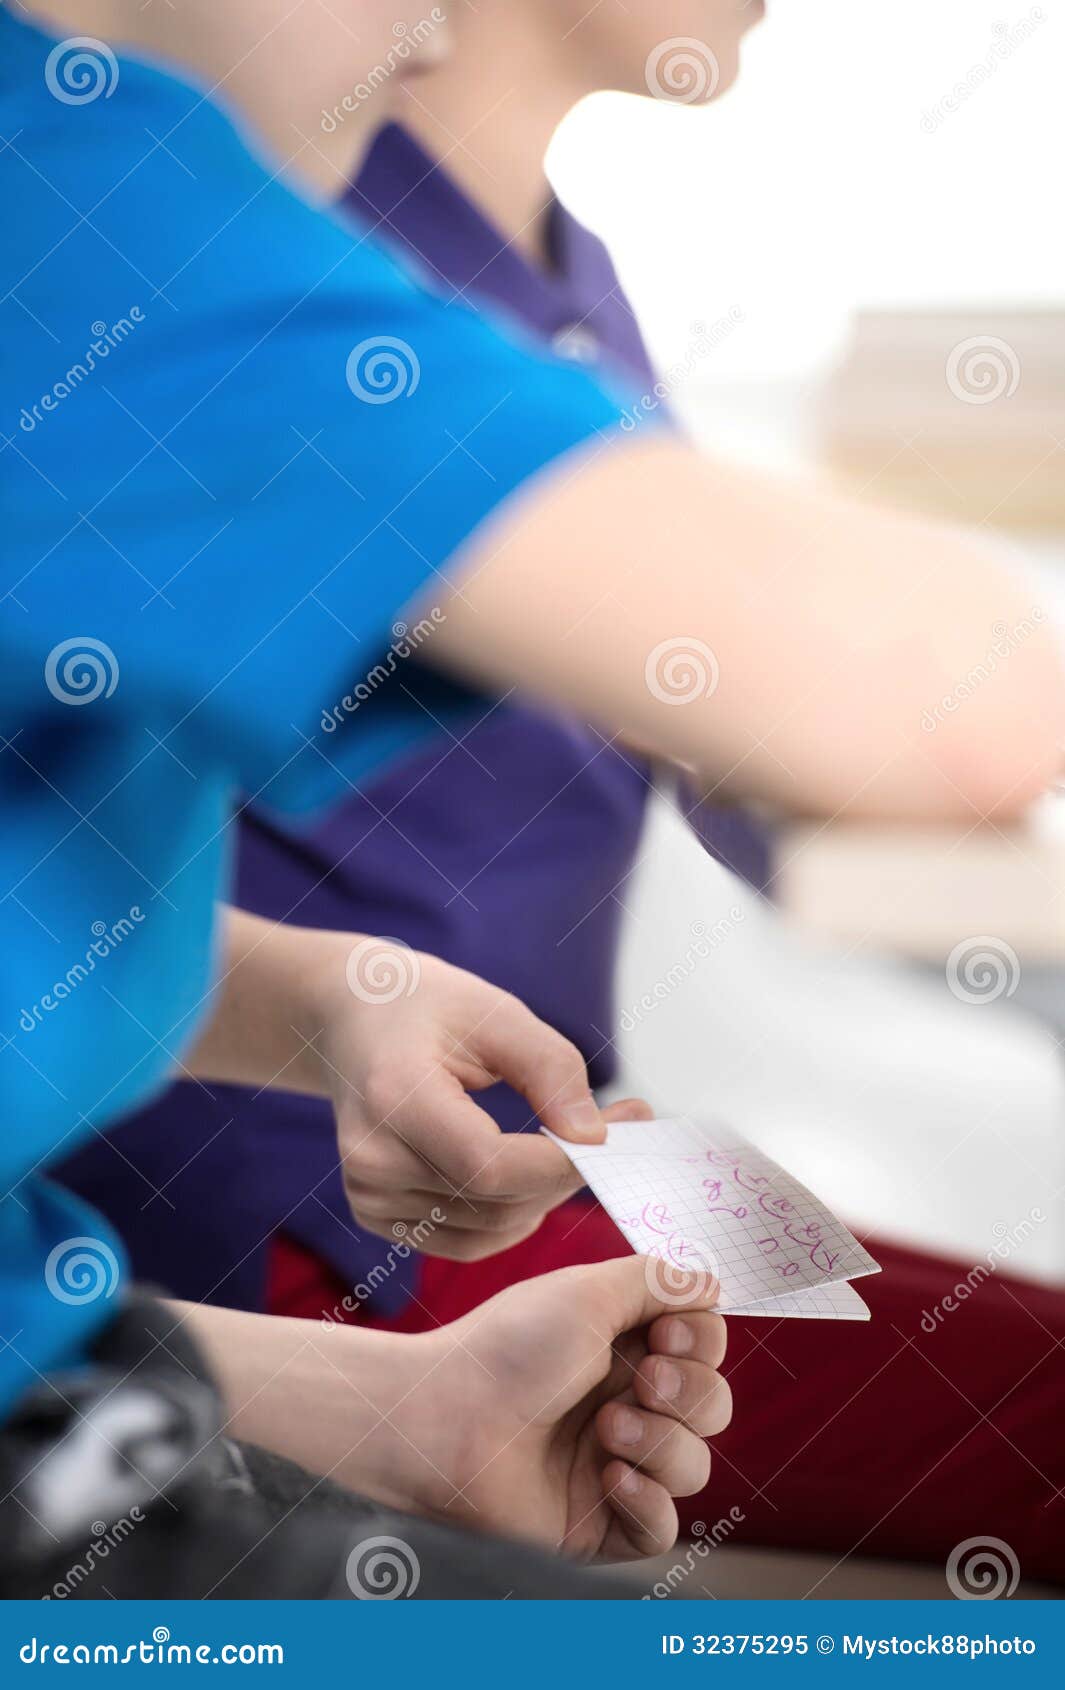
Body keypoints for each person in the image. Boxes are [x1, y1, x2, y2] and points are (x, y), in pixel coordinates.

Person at [3, 0, 1061, 1593]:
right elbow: (913, 690)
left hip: (566, 1133)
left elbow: (725, 726)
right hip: (337, 1201)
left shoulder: (568, 276)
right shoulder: (228, 239)